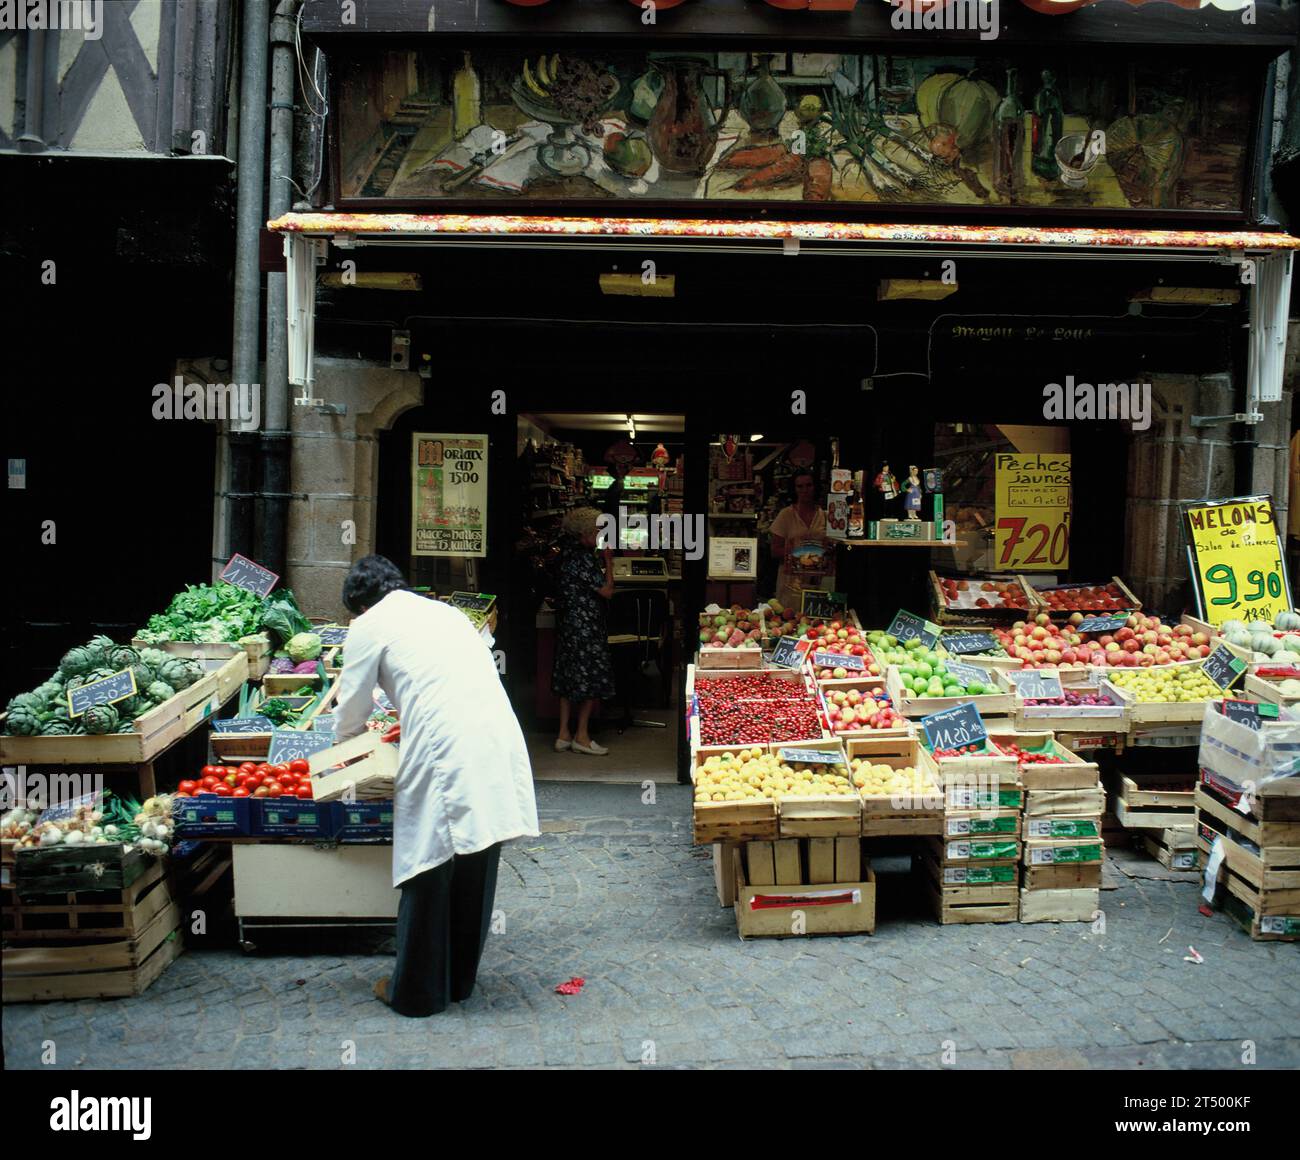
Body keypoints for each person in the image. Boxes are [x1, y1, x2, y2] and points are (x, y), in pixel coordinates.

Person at [333, 555, 539, 1017]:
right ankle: (459, 980)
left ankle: (418, 993)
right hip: (495, 735)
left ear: (359, 604)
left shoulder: (368, 626)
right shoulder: (445, 612)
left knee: (427, 864)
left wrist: (344, 752)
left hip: (445, 745)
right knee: (477, 854)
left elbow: (351, 712)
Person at [552, 506, 617, 756]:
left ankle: (562, 734)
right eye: (597, 530)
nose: (600, 534)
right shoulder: (585, 557)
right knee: (591, 678)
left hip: (568, 624)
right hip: (587, 625)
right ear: (584, 532)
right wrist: (608, 562)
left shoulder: (564, 554)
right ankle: (582, 735)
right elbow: (607, 592)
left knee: (567, 678)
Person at [769, 468, 834, 613]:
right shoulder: (786, 515)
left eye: (809, 485)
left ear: (815, 487)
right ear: (794, 489)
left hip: (820, 582)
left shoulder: (826, 515)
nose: (805, 490)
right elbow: (774, 550)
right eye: (800, 486)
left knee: (819, 622)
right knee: (789, 620)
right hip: (791, 583)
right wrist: (802, 555)